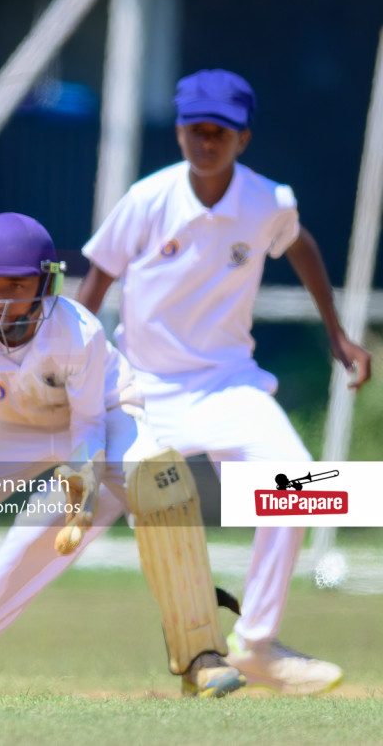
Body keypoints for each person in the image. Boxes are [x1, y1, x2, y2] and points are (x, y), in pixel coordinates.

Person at [0, 212, 244, 699]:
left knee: (161, 483)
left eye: (16, 284)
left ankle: (201, 654)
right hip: (13, 428)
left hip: (103, 416)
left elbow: (90, 423)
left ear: (45, 284)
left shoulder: (78, 332)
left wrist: (82, 474)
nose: (0, 298)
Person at [76, 68, 371, 695]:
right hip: (143, 388)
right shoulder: (148, 199)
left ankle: (256, 643)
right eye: (195, 129)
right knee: (71, 515)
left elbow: (302, 246)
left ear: (243, 138)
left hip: (228, 385)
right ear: (180, 132)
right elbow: (94, 284)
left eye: (220, 131)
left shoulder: (268, 201)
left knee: (304, 484)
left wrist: (338, 334)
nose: (206, 140)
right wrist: (77, 369)